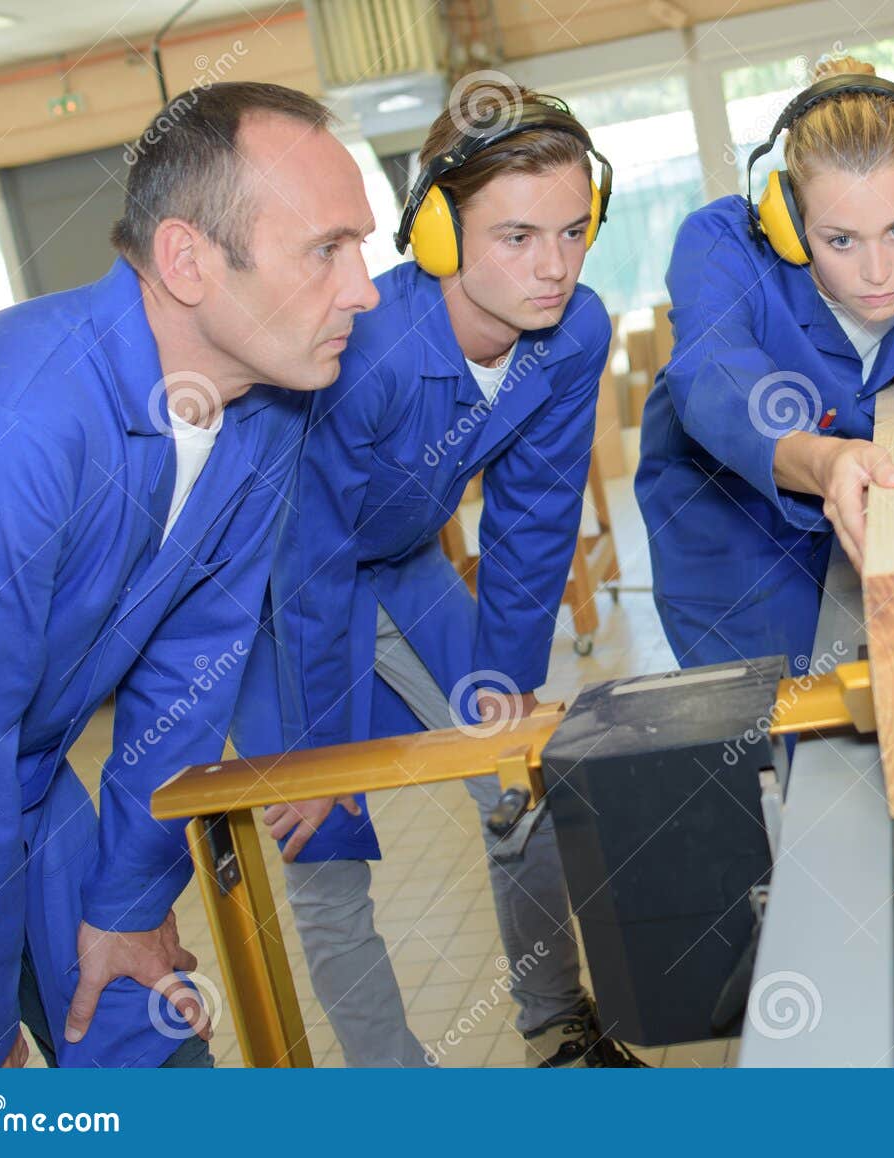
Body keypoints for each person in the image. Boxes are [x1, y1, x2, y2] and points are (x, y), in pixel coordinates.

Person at [0, 81, 378, 1067]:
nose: (365, 290)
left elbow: (194, 664)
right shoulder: (3, 442)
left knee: (149, 1045)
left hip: (19, 778)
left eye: (364, 248)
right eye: (327, 250)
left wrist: (128, 899)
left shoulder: (259, 403)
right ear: (187, 260)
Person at [233, 87, 641, 1067]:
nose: (554, 266)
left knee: (515, 774)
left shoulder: (574, 332)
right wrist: (318, 751)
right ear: (438, 234)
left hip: (405, 567)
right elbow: (310, 549)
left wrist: (504, 673)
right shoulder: (368, 351)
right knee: (319, 840)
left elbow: (536, 514)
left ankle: (556, 1028)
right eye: (515, 236)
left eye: (574, 230)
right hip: (278, 591)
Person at [635, 57, 894, 676]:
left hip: (845, 491)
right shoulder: (721, 246)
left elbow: (876, 314)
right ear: (789, 224)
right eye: (840, 241)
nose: (879, 272)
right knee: (776, 727)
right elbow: (713, 373)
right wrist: (822, 460)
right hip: (730, 538)